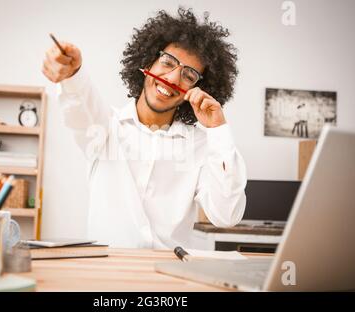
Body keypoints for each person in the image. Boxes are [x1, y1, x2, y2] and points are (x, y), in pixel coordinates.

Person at [42, 7, 247, 249]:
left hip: (169, 275)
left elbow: (227, 215)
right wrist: (72, 74)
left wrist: (218, 131)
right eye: (167, 62)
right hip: (106, 274)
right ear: (147, 61)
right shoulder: (105, 127)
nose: (172, 79)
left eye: (188, 76)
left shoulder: (201, 145)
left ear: (198, 89)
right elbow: (81, 103)